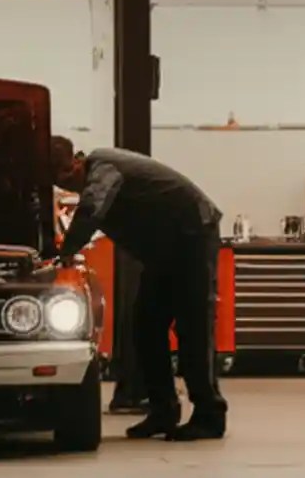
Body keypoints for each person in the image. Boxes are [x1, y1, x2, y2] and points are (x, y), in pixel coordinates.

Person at [52, 138, 228, 441]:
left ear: (77, 161)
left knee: (193, 325)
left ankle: (210, 415)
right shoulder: (95, 172)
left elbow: (93, 207)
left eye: (67, 178)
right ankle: (163, 410)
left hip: (192, 234)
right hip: (166, 247)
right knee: (146, 325)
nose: (69, 185)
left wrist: (67, 250)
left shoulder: (103, 166)